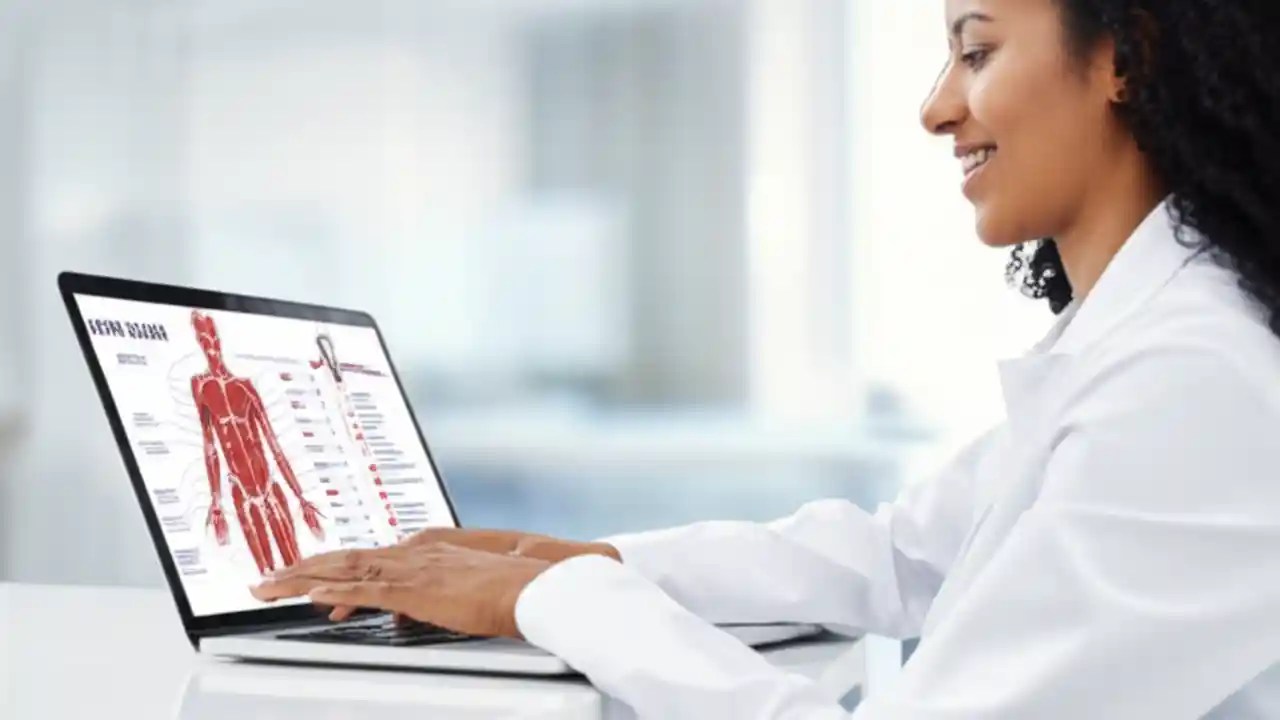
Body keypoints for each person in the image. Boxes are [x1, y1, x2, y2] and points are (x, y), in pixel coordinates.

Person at [252, 0, 1280, 716]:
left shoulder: (1190, 379)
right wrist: (584, 563)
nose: (934, 108)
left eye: (974, 52)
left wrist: (548, 603)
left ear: (1123, 57)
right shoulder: (1148, 342)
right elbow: (899, 555)